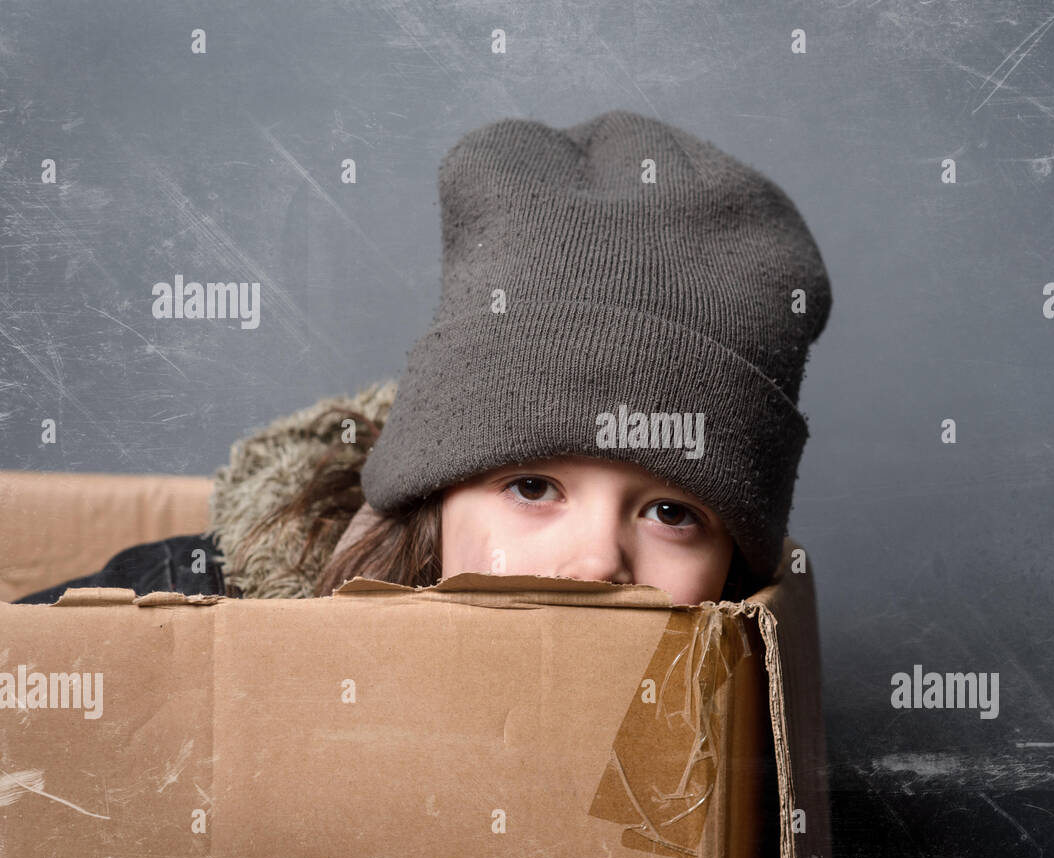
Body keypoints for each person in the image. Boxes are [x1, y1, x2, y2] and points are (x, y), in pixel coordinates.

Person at [14, 109, 832, 608]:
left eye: (672, 512)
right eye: (533, 486)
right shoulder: (185, 601)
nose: (595, 563)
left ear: (735, 566)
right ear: (433, 496)